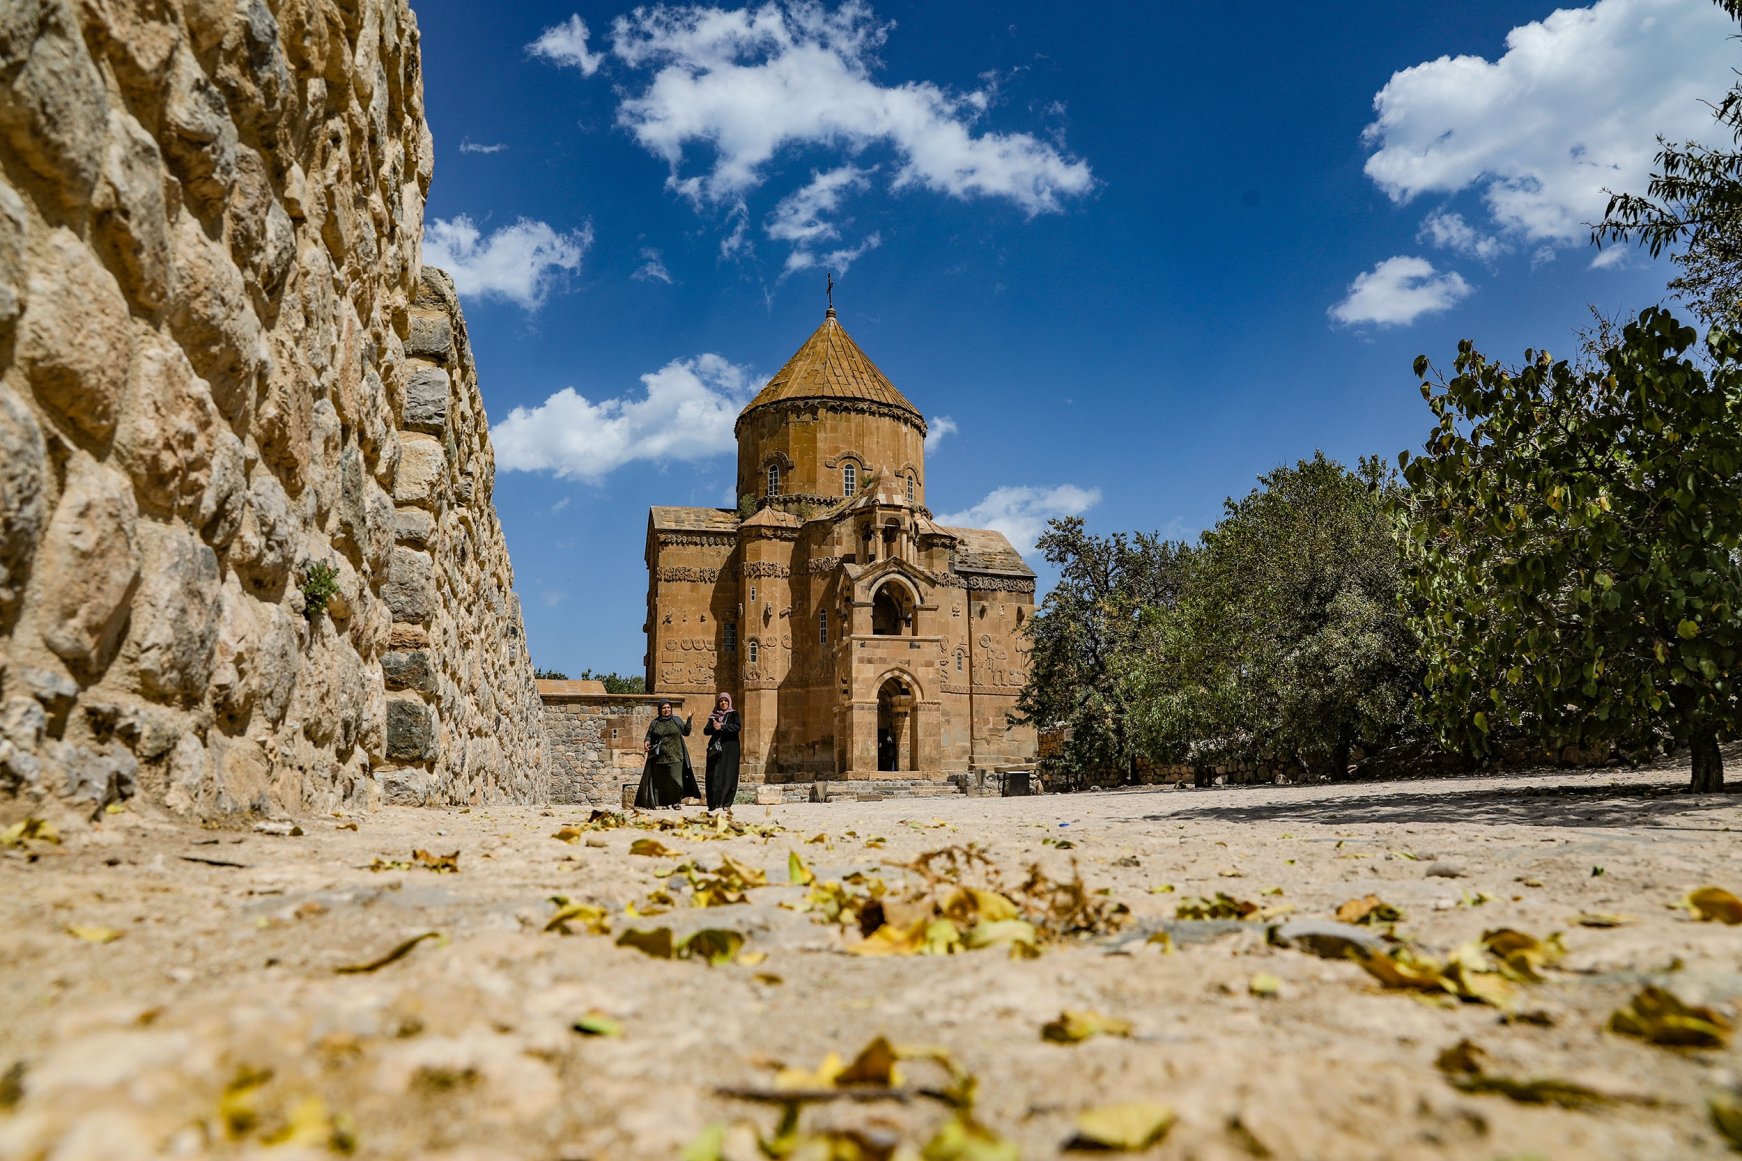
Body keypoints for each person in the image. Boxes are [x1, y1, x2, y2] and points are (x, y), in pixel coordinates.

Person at [635, 700, 700, 809]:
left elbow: (686, 732)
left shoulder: (676, 720)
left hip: (676, 755)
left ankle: (676, 802)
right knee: (662, 782)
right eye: (664, 708)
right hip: (659, 756)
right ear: (660, 710)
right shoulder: (655, 722)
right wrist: (646, 741)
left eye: (668, 708)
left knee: (676, 781)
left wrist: (689, 719)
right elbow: (649, 735)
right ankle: (663, 803)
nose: (666, 710)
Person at [703, 692, 741, 812]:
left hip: (730, 749)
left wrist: (722, 727)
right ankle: (714, 802)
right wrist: (713, 727)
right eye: (721, 701)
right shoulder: (713, 716)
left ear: (729, 702)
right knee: (714, 774)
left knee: (729, 775)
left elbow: (737, 727)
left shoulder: (734, 714)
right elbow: (706, 731)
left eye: (725, 701)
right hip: (716, 749)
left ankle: (727, 803)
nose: (723, 703)